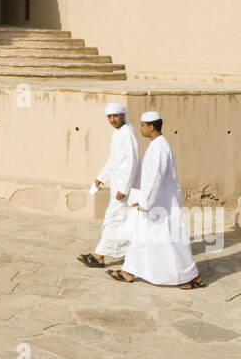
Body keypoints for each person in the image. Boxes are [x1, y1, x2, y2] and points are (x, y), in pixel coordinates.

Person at [108, 110, 204, 289]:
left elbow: (155, 179)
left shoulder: (159, 148)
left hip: (161, 204)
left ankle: (189, 276)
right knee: (146, 238)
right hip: (158, 202)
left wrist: (146, 203)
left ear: (151, 127)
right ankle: (129, 271)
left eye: (143, 126)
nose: (141, 129)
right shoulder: (158, 145)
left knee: (171, 240)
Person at [78, 102, 140, 268]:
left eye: (116, 116)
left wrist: (124, 188)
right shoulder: (117, 133)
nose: (112, 120)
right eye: (110, 117)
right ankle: (115, 253)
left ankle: (99, 255)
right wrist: (101, 178)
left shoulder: (128, 133)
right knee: (119, 219)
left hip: (124, 188)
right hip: (118, 185)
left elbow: (132, 162)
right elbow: (113, 160)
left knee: (114, 218)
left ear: (123, 115)